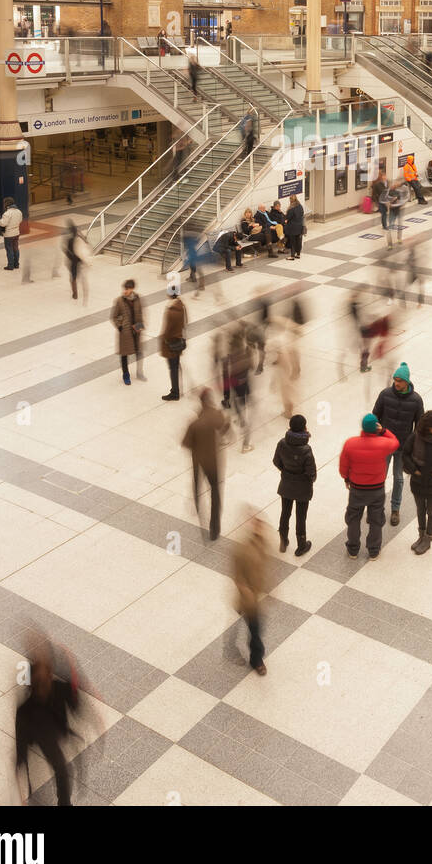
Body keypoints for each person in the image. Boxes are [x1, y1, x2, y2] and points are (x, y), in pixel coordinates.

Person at [15, 638, 82, 805]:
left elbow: (75, 705)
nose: (45, 680)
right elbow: (21, 752)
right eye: (40, 680)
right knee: (61, 769)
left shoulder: (60, 689)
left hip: (52, 730)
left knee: (62, 770)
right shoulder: (25, 712)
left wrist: (73, 674)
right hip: (41, 733)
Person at [339, 413, 400, 559]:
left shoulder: (350, 443)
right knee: (375, 520)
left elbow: (343, 466)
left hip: (357, 488)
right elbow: (396, 442)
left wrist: (347, 478)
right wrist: (383, 431)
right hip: (377, 489)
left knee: (353, 518)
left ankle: (353, 549)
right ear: (375, 428)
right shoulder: (383, 444)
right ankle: (373, 550)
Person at [372, 361, 424, 527]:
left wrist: (412, 443)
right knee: (380, 477)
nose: (396, 383)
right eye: (395, 380)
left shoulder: (416, 400)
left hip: (402, 447)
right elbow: (375, 416)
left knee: (399, 479)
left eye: (399, 380)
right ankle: (377, 507)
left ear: (407, 381)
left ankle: (395, 509)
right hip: (385, 445)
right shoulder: (385, 394)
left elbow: (420, 425)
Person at [402, 409, 432, 555]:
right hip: (418, 480)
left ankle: (428, 539)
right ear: (429, 427)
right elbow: (405, 454)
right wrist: (414, 470)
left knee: (431, 510)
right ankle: (421, 536)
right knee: (420, 510)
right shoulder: (415, 437)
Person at [182, 389, 227, 540]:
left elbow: (186, 443)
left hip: (198, 461)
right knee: (215, 493)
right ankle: (215, 528)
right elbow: (225, 427)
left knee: (197, 483)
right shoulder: (216, 415)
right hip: (213, 463)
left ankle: (196, 502)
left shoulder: (195, 423)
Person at [231, 518, 271, 675]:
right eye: (259, 527)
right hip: (249, 600)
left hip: (257, 596)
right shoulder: (241, 550)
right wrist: (246, 592)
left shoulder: (262, 544)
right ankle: (257, 660)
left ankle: (254, 655)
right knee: (256, 629)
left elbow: (265, 567)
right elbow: (237, 576)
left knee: (255, 627)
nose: (262, 529)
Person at [273, 413, 316, 556]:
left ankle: (283, 541)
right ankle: (301, 545)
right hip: (302, 488)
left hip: (286, 484)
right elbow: (311, 472)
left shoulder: (282, 443)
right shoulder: (306, 449)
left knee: (285, 513)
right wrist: (309, 480)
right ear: (304, 428)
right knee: (300, 516)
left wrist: (286, 472)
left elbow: (276, 461)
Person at [111, 278, 146, 385]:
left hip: (136, 331)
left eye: (127, 289)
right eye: (124, 289)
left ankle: (139, 373)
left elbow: (140, 313)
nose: (125, 291)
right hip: (125, 333)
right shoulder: (119, 301)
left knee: (139, 353)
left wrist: (140, 326)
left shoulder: (137, 299)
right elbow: (113, 316)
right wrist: (120, 327)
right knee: (124, 355)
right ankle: (126, 375)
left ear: (132, 289)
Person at [159, 286, 187, 401]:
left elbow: (167, 331)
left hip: (171, 344)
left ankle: (175, 392)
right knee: (176, 366)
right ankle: (178, 389)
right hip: (179, 340)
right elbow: (185, 323)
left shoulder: (171, 311)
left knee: (173, 368)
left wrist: (163, 339)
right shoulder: (182, 306)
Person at [0, 195, 23, 270]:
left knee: (9, 250)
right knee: (16, 248)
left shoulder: (7, 213)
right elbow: (20, 220)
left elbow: (3, 223)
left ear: (6, 204)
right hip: (16, 233)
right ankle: (16, 264)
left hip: (9, 234)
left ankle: (10, 266)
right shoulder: (19, 211)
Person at [383, 178, 409, 247]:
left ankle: (399, 238)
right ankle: (389, 243)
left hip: (400, 209)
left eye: (397, 183)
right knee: (390, 226)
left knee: (400, 224)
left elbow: (406, 197)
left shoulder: (404, 188)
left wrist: (403, 204)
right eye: (394, 184)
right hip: (392, 209)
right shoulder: (390, 190)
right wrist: (389, 204)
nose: (395, 185)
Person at [284, 193, 305, 259]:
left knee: (293, 242)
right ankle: (298, 254)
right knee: (298, 240)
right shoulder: (300, 206)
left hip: (292, 227)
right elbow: (302, 214)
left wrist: (286, 220)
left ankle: (292, 256)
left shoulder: (291, 208)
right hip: (300, 226)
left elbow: (288, 217)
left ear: (290, 200)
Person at [370, 166, 389, 230]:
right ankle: (384, 226)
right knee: (384, 213)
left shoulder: (387, 182)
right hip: (380, 200)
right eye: (383, 176)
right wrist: (374, 201)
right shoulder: (377, 184)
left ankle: (385, 224)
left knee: (385, 212)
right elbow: (374, 193)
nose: (384, 177)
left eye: (385, 176)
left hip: (385, 200)